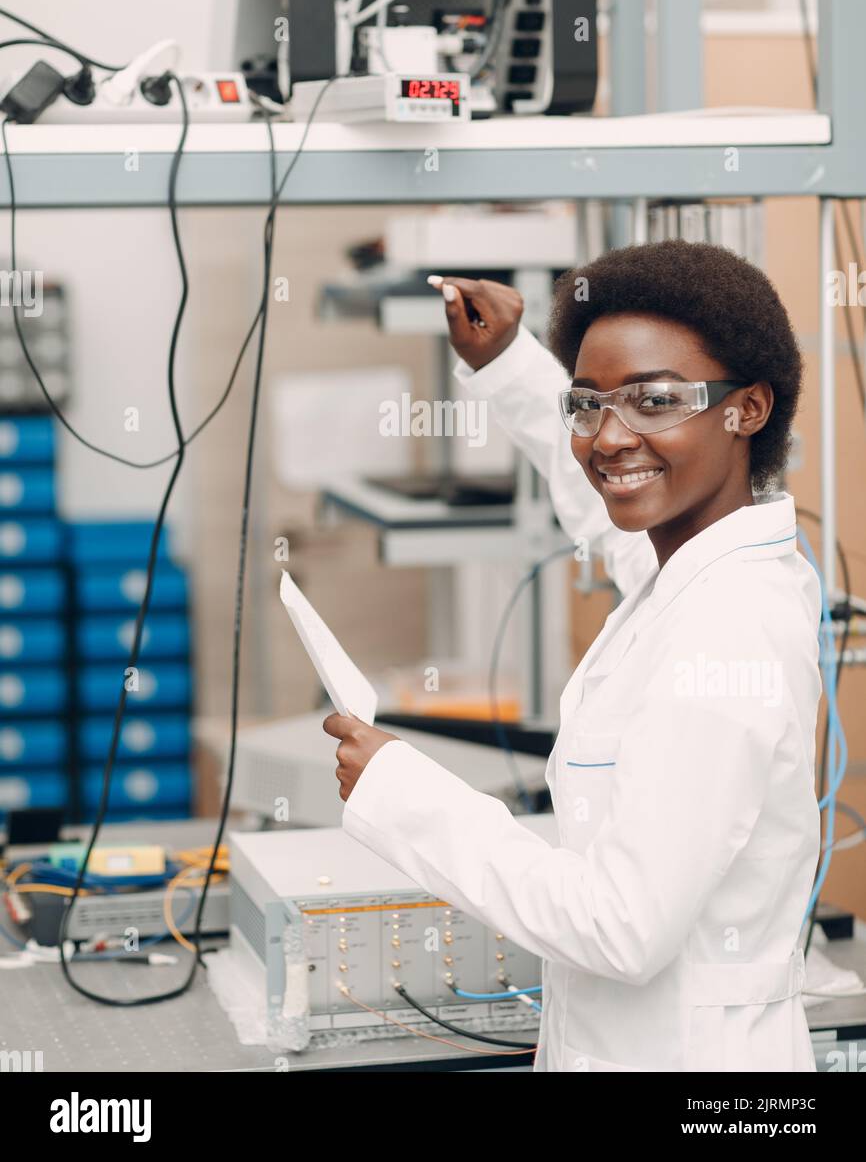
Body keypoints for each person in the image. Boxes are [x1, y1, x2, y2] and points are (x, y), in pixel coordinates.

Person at [324, 240, 821, 1073]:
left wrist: (402, 792)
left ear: (748, 409)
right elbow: (611, 510)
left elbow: (621, 926)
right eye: (588, 404)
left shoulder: (726, 628)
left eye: (656, 400)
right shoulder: (697, 568)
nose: (610, 438)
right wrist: (514, 368)